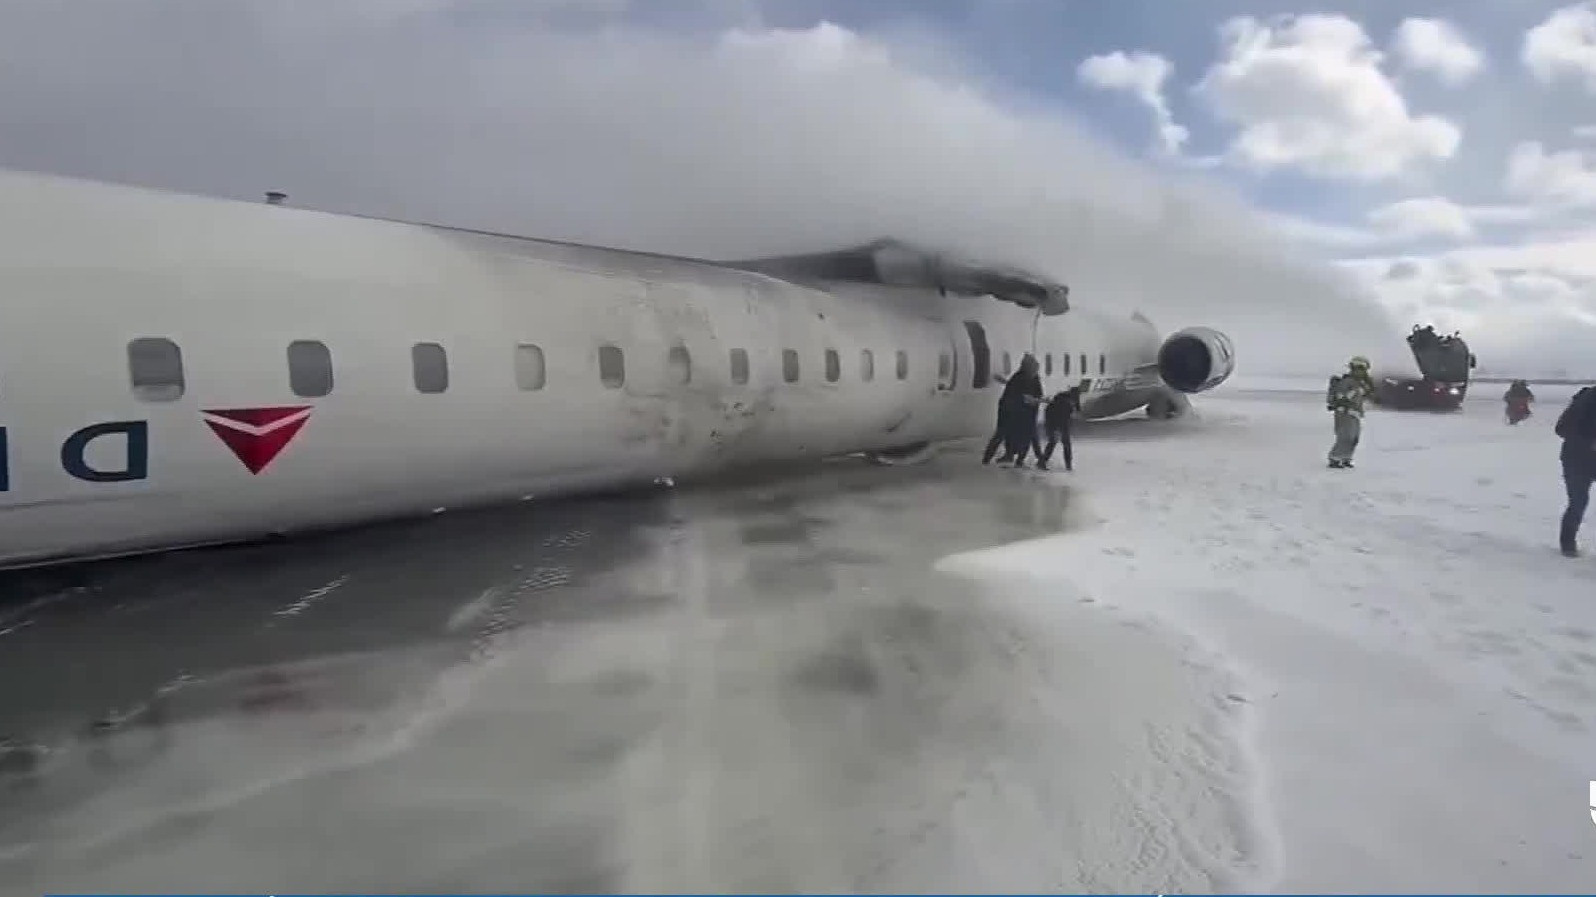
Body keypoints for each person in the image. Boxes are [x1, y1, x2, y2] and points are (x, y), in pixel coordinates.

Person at [1553, 386, 1596, 557]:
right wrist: (1588, 441)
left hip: (1576, 457)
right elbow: (1561, 429)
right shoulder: (1584, 402)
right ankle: (1568, 545)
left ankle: (1568, 545)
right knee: (1578, 501)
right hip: (1577, 459)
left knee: (1578, 501)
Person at [981, 354, 1044, 465]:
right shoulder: (1023, 378)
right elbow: (1019, 394)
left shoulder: (1025, 378)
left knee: (1009, 434)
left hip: (1019, 410)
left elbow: (1032, 395)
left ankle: (1009, 457)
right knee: (1014, 434)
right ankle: (1017, 458)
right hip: (1012, 410)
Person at [1326, 355, 1374, 469]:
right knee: (1345, 436)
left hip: (1355, 413)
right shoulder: (1347, 381)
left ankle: (1346, 457)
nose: (1361, 371)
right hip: (1345, 412)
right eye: (1359, 368)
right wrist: (1356, 391)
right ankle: (1335, 458)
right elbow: (1342, 397)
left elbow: (1369, 395)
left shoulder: (1361, 383)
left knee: (1354, 438)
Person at [1037, 386, 1080, 471]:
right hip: (1053, 420)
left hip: (1059, 420)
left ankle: (1067, 465)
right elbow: (1057, 415)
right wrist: (1056, 429)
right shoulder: (1063, 401)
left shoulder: (1073, 399)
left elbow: (1077, 410)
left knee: (1062, 442)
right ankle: (1043, 462)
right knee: (1056, 441)